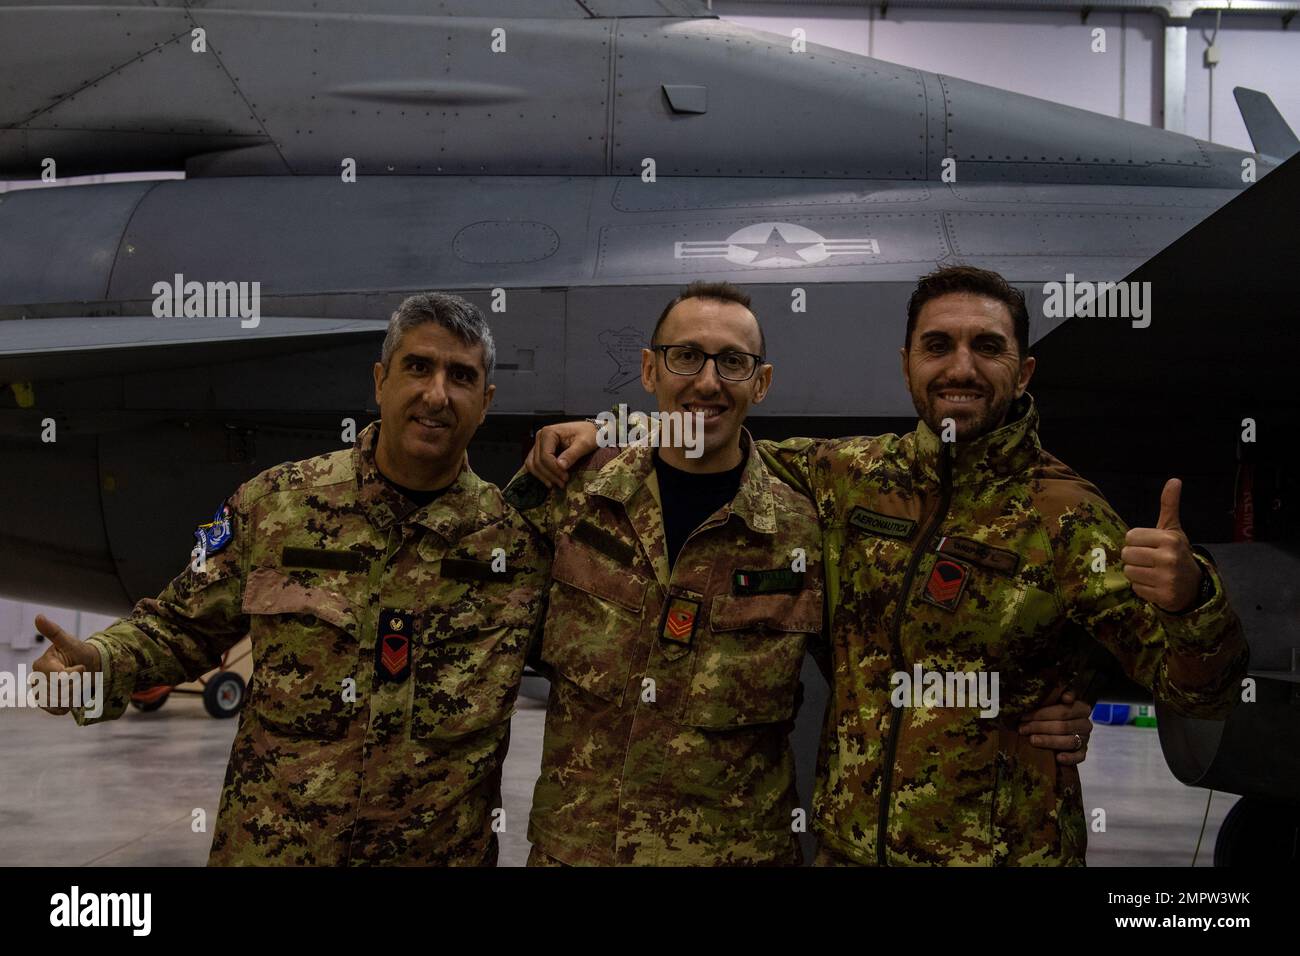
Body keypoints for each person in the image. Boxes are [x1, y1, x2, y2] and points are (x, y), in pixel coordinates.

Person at [527, 265, 1247, 866]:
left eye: (985, 347)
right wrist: (610, 433)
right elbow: (719, 440)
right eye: (938, 345)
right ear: (907, 363)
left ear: (1022, 369)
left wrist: (1190, 601)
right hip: (849, 851)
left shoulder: (1066, 515)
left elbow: (1199, 691)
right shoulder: (849, 476)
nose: (960, 367)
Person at [30, 293, 549, 866]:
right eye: (418, 367)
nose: (436, 394)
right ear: (381, 380)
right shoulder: (274, 504)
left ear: (486, 401)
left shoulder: (517, 545)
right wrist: (98, 665)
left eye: (461, 376)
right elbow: (177, 627)